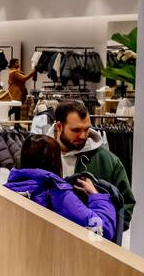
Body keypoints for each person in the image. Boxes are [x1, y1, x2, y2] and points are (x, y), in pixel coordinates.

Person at [6, 135, 117, 240]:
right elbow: (102, 230)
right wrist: (96, 196)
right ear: (55, 161)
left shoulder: (5, 191)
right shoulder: (59, 196)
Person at [53, 99, 135, 232]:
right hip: (47, 241)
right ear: (59, 127)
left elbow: (126, 204)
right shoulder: (39, 153)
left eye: (86, 129)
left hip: (92, 245)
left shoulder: (107, 161)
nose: (83, 135)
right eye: (76, 130)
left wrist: (109, 233)